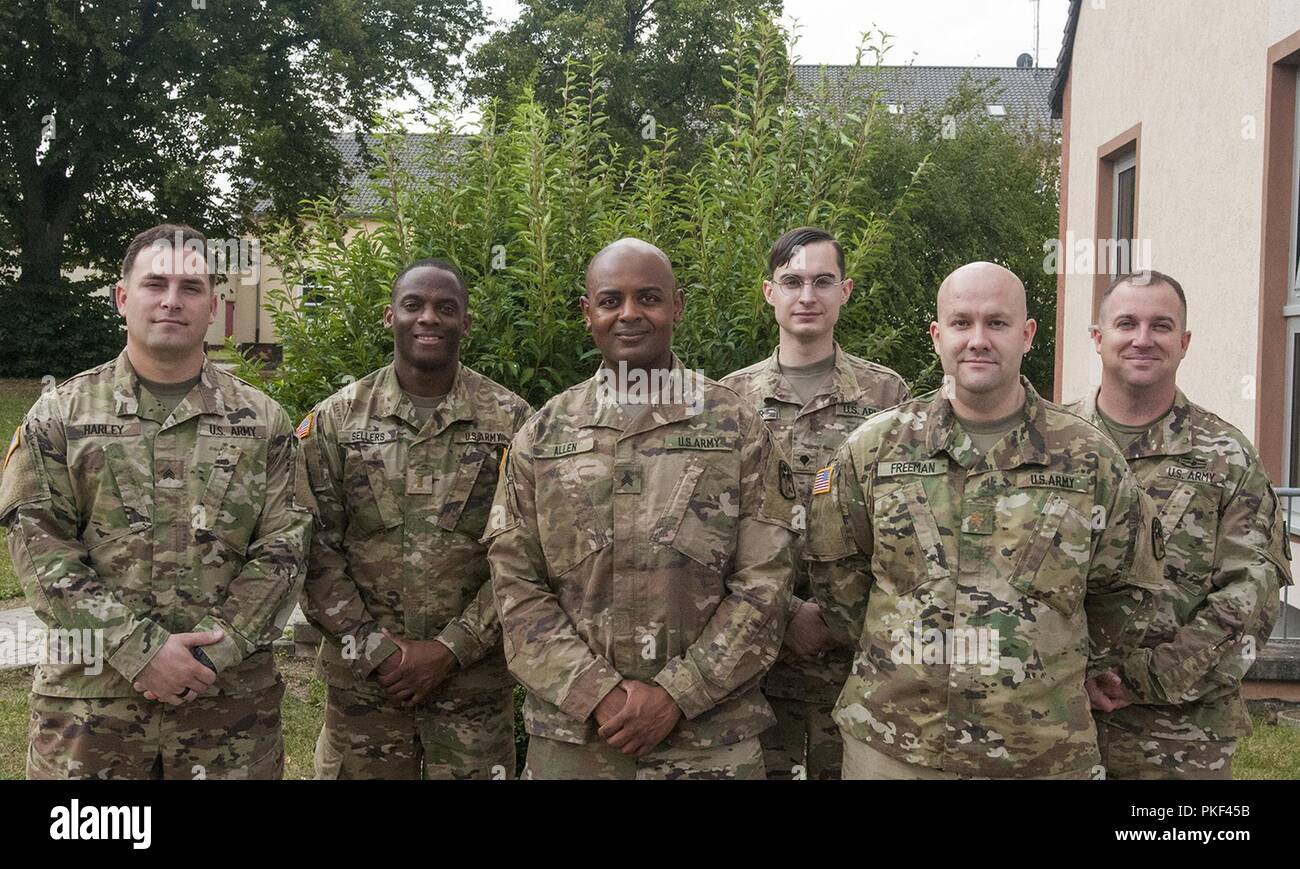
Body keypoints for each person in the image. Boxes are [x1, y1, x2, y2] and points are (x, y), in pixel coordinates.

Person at [806, 260, 1164, 778]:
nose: (978, 339)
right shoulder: (873, 450)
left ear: (1027, 334)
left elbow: (1125, 591)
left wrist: (1047, 661)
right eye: (961, 323)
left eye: (996, 323)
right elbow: (839, 580)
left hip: (1039, 748)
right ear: (936, 335)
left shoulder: (1091, 459)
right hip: (895, 743)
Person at [0, 223, 313, 779]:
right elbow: (42, 555)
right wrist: (139, 650)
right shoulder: (59, 417)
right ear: (123, 297)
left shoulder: (263, 422)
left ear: (212, 306)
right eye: (155, 283)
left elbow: (285, 552)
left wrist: (208, 656)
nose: (172, 300)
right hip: (92, 712)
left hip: (228, 712)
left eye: (191, 287)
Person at [485, 237, 799, 779]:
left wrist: (677, 694)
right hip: (576, 738)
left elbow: (766, 583)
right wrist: (597, 693)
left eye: (648, 297)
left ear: (675, 306)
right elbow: (515, 585)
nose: (629, 314)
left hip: (709, 737)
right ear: (589, 313)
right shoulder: (543, 434)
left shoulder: (736, 426)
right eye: (611, 300)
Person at [299, 258, 531, 779]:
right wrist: (377, 650)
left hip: (472, 687)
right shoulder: (336, 420)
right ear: (390, 317)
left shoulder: (513, 423)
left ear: (465, 323)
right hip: (365, 689)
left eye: (445, 308)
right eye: (414, 305)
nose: (429, 318)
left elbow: (525, 555)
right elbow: (312, 552)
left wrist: (453, 649)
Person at [1065, 269, 1292, 779]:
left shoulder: (1227, 456)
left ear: (1184, 342)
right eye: (1126, 323)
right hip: (1053, 725)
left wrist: (1139, 678)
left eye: (1161, 326)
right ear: (1098, 338)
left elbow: (1252, 595)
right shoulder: (1052, 447)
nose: (1143, 339)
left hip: (1179, 740)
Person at [721, 226, 909, 780]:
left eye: (823, 281)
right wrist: (781, 615)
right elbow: (713, 532)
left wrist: (831, 618)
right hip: (753, 663)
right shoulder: (730, 400)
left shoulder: (887, 398)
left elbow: (905, 532)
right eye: (793, 281)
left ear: (845, 292)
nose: (808, 296)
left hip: (854, 664)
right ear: (769, 292)